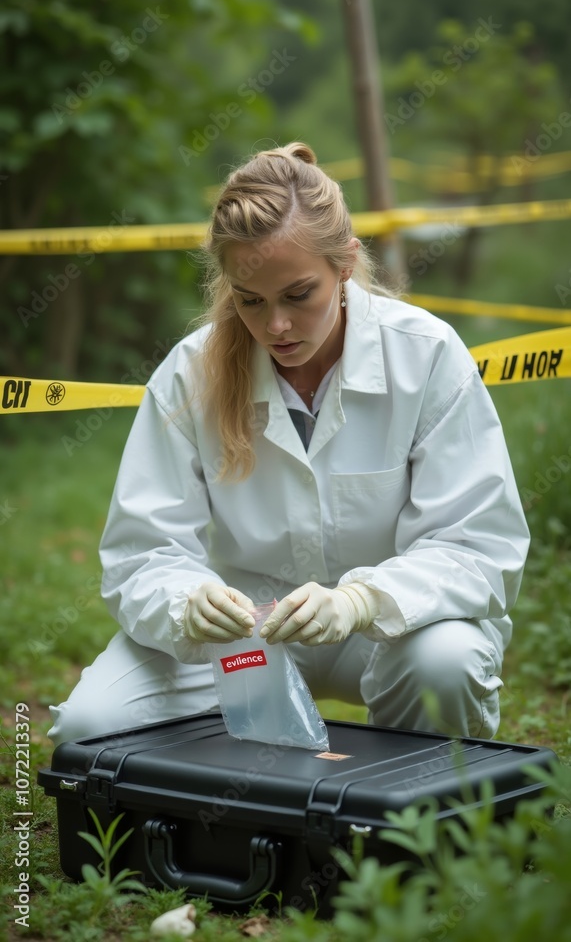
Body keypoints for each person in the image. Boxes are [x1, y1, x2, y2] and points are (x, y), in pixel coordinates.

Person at [48, 142, 529, 747]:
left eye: (299, 295)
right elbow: (142, 549)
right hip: (245, 638)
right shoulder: (189, 373)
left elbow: (477, 544)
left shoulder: (426, 356)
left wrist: (360, 600)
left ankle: (426, 804)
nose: (275, 326)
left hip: (387, 629)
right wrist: (187, 603)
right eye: (250, 301)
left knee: (444, 666)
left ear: (345, 263)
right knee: (91, 727)